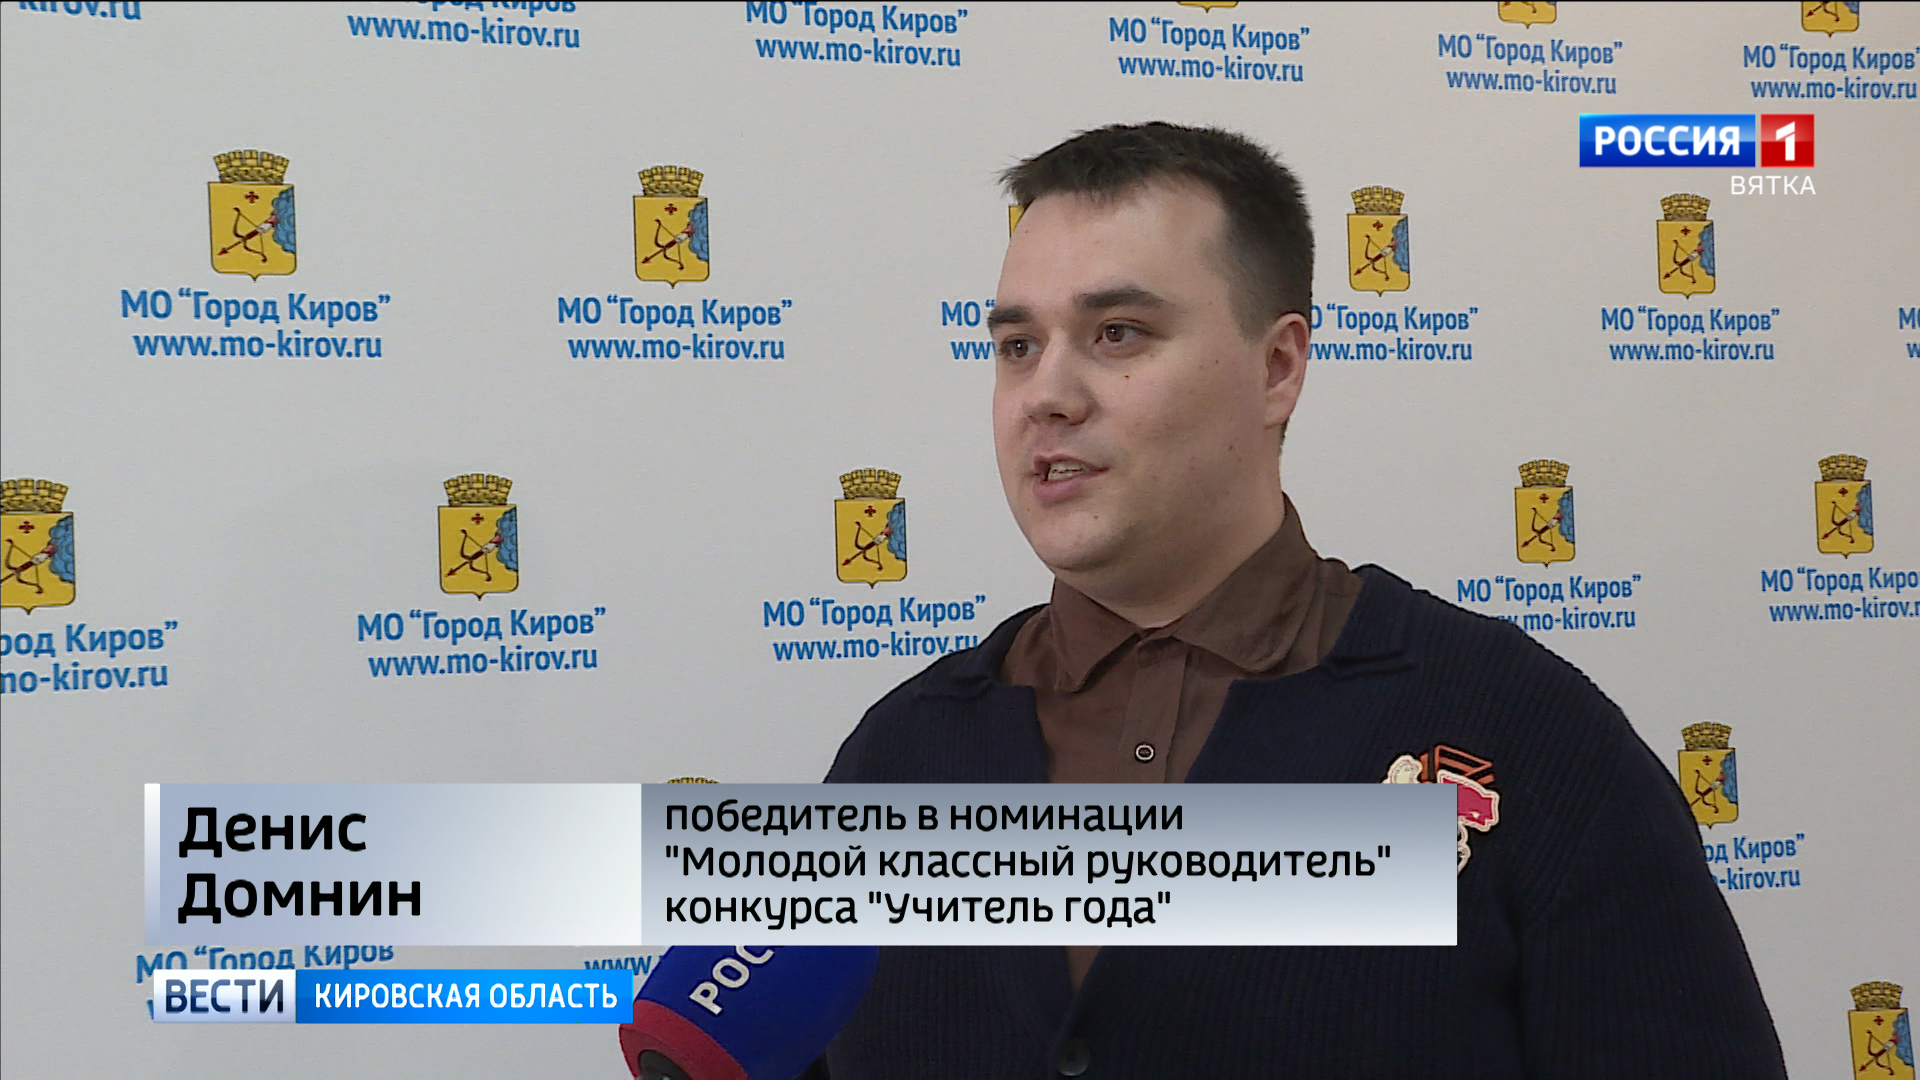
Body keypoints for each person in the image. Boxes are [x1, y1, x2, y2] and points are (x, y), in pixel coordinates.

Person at [810, 123, 1785, 1079]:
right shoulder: (896, 760)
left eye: (1117, 334)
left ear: (1277, 368)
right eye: (1019, 345)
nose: (1046, 394)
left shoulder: (1529, 736)